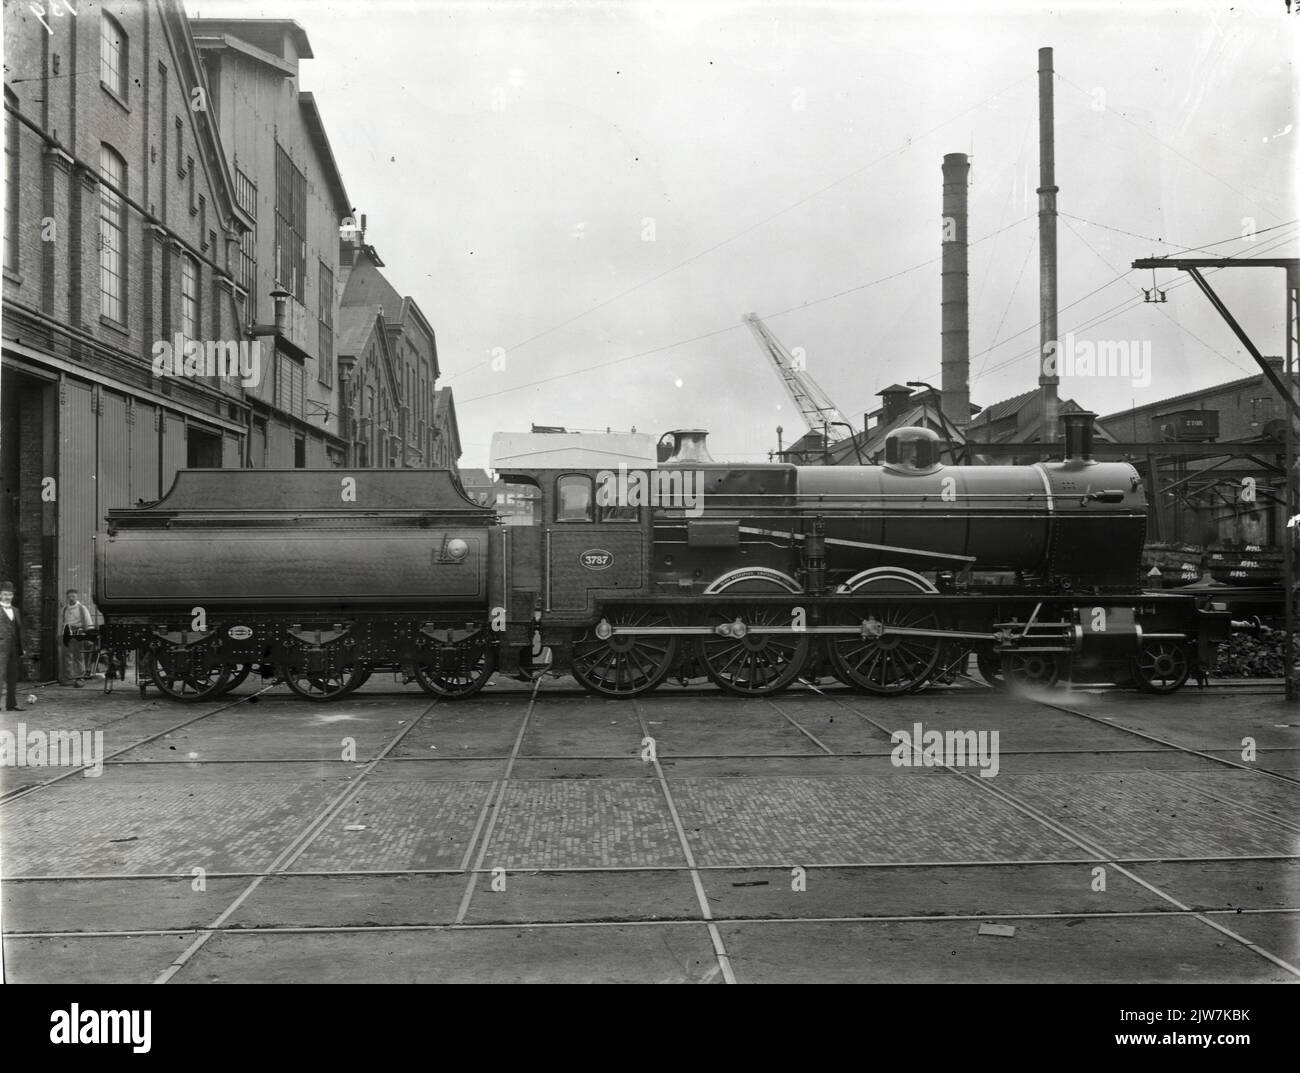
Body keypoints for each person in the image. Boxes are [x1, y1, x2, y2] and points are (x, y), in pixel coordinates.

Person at [0, 581, 25, 712]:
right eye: (5, 594)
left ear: (13, 595)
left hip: (14, 648)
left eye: (10, 594)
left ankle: (11, 704)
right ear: (0, 595)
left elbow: (19, 630)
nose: (7, 597)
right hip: (0, 649)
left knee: (12, 677)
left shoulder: (16, 610)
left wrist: (22, 647)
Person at [62, 589, 94, 687]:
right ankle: (69, 678)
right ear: (67, 597)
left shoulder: (82, 608)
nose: (71, 598)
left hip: (78, 634)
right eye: (69, 596)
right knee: (67, 656)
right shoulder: (64, 609)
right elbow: (62, 622)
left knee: (78, 656)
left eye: (73, 596)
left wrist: (89, 636)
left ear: (77, 597)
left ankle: (80, 678)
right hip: (67, 634)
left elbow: (88, 621)